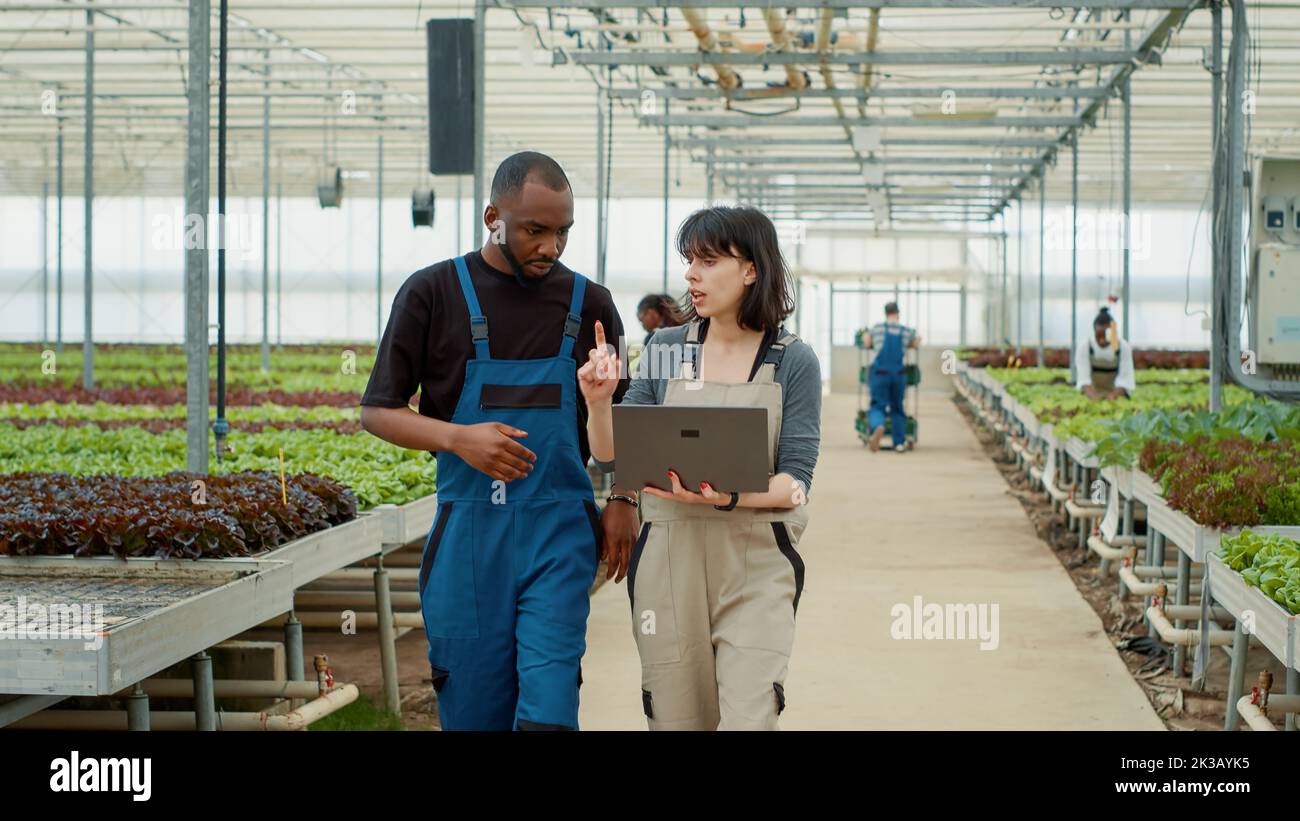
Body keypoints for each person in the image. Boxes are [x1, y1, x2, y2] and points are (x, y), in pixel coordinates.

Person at [359, 151, 639, 731]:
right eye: (535, 231)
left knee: (550, 699)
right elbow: (378, 411)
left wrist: (621, 499)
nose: (551, 248)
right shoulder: (432, 293)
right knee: (472, 707)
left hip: (559, 534)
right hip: (467, 538)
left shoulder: (590, 304)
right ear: (494, 216)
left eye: (562, 232)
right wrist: (459, 438)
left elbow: (622, 420)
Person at [580, 205, 822, 730]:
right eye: (689, 260)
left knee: (751, 714)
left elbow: (796, 483)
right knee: (675, 716)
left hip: (756, 563)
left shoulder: (791, 360)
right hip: (670, 559)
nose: (691, 273)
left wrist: (729, 497)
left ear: (751, 269)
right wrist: (600, 402)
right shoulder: (667, 348)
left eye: (708, 261)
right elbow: (612, 453)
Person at [862, 302, 920, 453]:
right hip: (898, 374)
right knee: (897, 408)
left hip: (880, 374)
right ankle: (899, 443)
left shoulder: (877, 329)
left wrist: (865, 336)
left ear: (886, 313)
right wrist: (916, 340)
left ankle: (878, 426)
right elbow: (915, 344)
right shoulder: (906, 331)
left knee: (877, 406)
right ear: (898, 314)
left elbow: (867, 343)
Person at [1075, 306, 1135, 400]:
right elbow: (1084, 379)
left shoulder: (1123, 347)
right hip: (1091, 397)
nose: (1102, 341)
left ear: (1113, 332)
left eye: (1106, 336)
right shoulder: (1085, 346)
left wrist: (1112, 397)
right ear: (1094, 331)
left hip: (1117, 398)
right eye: (1099, 336)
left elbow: (1125, 380)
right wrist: (1095, 398)